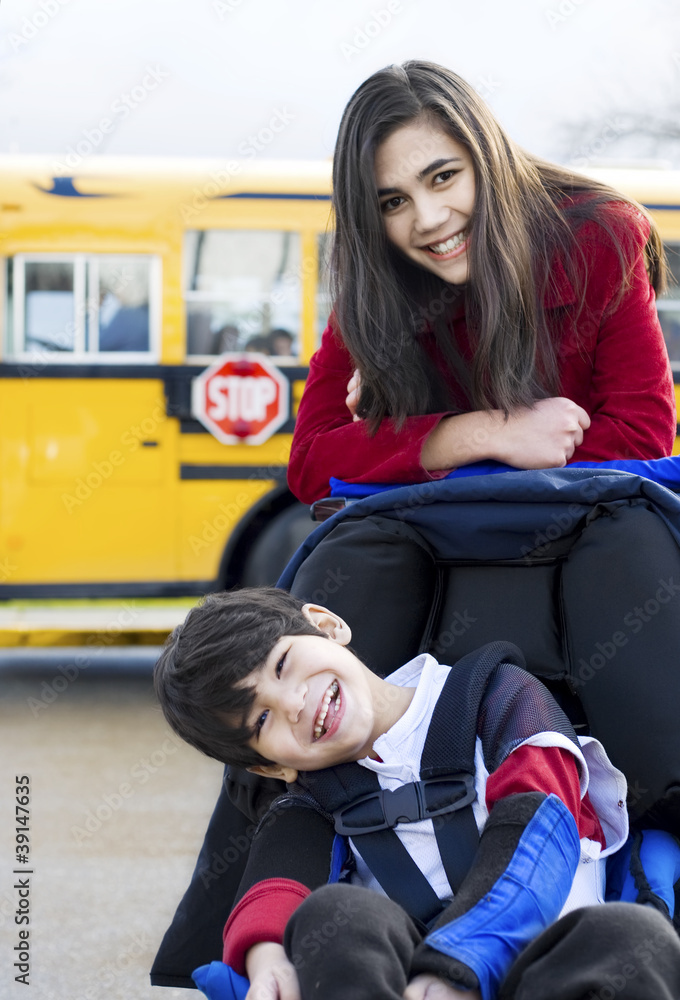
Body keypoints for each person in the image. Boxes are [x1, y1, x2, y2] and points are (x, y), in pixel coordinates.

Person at [154, 587, 680, 1000]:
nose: (294, 703)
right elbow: (278, 878)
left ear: (326, 626)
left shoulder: (499, 699)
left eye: (284, 665)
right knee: (335, 916)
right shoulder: (315, 794)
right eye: (263, 718)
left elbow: (536, 833)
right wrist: (266, 952)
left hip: (546, 962)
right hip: (406, 984)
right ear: (268, 766)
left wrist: (459, 966)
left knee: (632, 935)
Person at [287, 61, 676, 504]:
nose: (429, 219)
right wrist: (488, 433)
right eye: (394, 202)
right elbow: (311, 466)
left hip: (583, 541)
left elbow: (641, 441)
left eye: (444, 177)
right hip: (432, 551)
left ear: (486, 160)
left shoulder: (599, 240)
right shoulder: (376, 286)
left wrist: (400, 451)